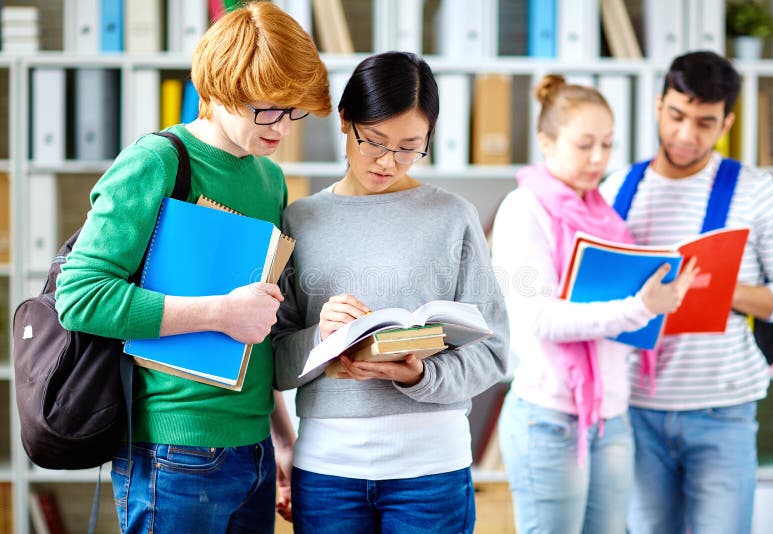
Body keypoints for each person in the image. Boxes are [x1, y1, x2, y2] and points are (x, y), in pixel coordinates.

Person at [54, 3, 331, 532]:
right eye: (266, 109)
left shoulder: (270, 179)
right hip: (173, 451)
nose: (283, 126)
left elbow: (258, 324)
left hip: (253, 449)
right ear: (221, 87)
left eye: (293, 110)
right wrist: (219, 312)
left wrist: (281, 439)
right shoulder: (157, 161)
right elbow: (81, 296)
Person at [271, 51, 509, 534]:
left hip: (431, 470)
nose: (387, 161)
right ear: (344, 120)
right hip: (327, 470)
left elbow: (494, 352)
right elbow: (270, 360)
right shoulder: (299, 220)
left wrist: (419, 373)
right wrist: (321, 336)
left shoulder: (452, 216)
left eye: (409, 147)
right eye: (373, 141)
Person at [600, 50, 773, 534]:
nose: (686, 135)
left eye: (705, 122)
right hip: (635, 409)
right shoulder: (616, 189)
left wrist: (724, 287)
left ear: (727, 121)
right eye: (676, 115)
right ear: (657, 105)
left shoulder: (758, 191)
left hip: (722, 409)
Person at [491, 74, 697, 534]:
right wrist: (640, 308)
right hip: (548, 418)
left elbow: (620, 317)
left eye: (608, 144)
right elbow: (540, 318)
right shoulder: (523, 210)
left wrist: (662, 303)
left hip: (611, 416)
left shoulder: (606, 216)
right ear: (546, 142)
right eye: (585, 145)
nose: (600, 159)